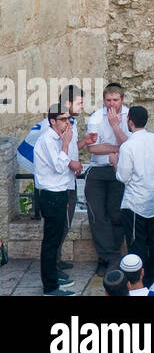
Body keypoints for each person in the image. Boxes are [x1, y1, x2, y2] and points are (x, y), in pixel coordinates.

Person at [116, 105, 154, 285]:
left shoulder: (128, 146)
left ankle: (138, 278)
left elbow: (123, 177)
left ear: (129, 121)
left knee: (136, 243)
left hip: (135, 202)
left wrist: (113, 162)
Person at [33, 104, 80, 296]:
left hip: (59, 193)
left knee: (55, 237)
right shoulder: (48, 139)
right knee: (51, 242)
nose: (67, 122)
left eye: (68, 119)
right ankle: (50, 287)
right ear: (52, 121)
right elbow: (60, 167)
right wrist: (66, 144)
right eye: (62, 119)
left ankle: (53, 275)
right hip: (51, 195)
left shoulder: (57, 138)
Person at [83, 81, 129, 275]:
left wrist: (115, 127)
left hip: (118, 169)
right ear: (104, 100)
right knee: (97, 216)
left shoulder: (129, 116)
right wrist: (118, 147)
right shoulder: (95, 117)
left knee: (116, 216)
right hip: (98, 169)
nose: (111, 104)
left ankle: (107, 258)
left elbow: (132, 144)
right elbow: (93, 148)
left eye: (115, 100)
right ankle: (110, 258)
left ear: (122, 99)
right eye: (108, 100)